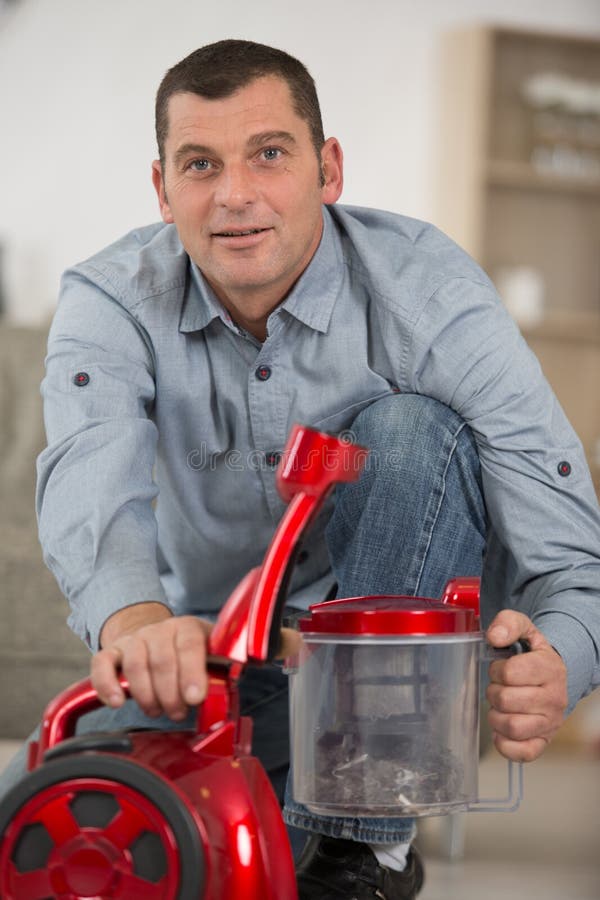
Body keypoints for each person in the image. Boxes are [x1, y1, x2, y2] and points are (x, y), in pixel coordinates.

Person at [3, 38, 600, 900]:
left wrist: (563, 662)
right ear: (163, 190)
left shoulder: (430, 295)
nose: (235, 194)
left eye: (269, 154)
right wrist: (137, 627)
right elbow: (91, 480)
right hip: (207, 661)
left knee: (404, 429)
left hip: (394, 690)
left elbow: (574, 559)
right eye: (200, 164)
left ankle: (363, 851)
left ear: (329, 169)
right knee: (42, 828)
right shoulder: (108, 301)